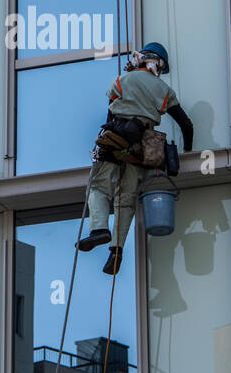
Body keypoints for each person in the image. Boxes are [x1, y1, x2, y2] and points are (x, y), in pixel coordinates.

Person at [77, 42, 194, 275]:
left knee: (98, 186)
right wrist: (188, 150)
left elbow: (110, 113)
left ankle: (99, 228)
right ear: (158, 64)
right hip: (144, 146)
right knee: (126, 199)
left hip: (116, 139)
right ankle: (116, 251)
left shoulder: (121, 81)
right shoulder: (164, 91)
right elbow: (185, 124)